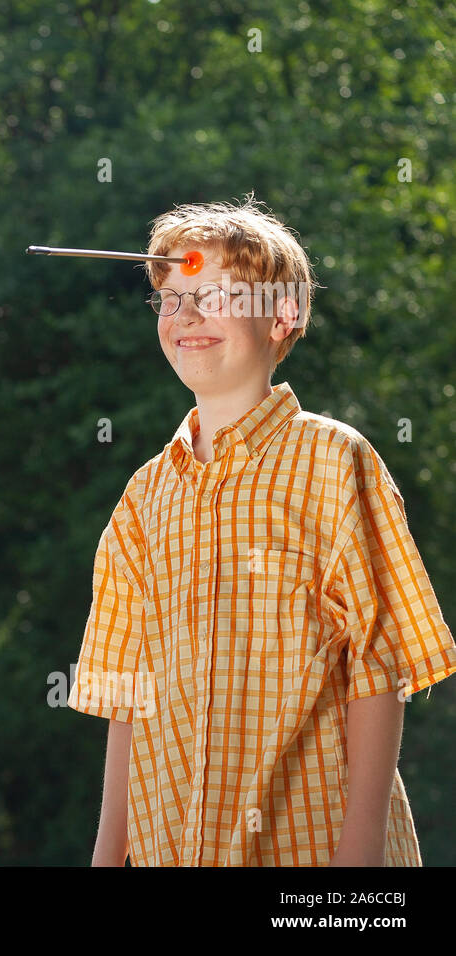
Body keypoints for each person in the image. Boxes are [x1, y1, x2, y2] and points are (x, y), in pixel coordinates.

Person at [67, 194, 456, 866]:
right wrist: (107, 859)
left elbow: (381, 665)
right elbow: (126, 691)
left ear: (285, 315)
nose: (186, 315)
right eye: (171, 298)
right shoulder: (142, 499)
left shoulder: (336, 462)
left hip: (315, 852)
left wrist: (357, 862)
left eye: (215, 295)